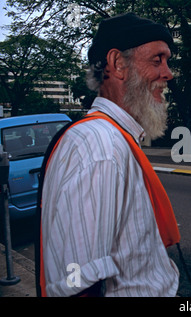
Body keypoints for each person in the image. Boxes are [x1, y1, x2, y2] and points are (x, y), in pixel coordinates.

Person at [38, 13, 180, 297]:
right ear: (118, 64)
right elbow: (77, 283)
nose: (168, 73)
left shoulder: (110, 137)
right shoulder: (101, 145)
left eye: (167, 61)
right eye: (157, 60)